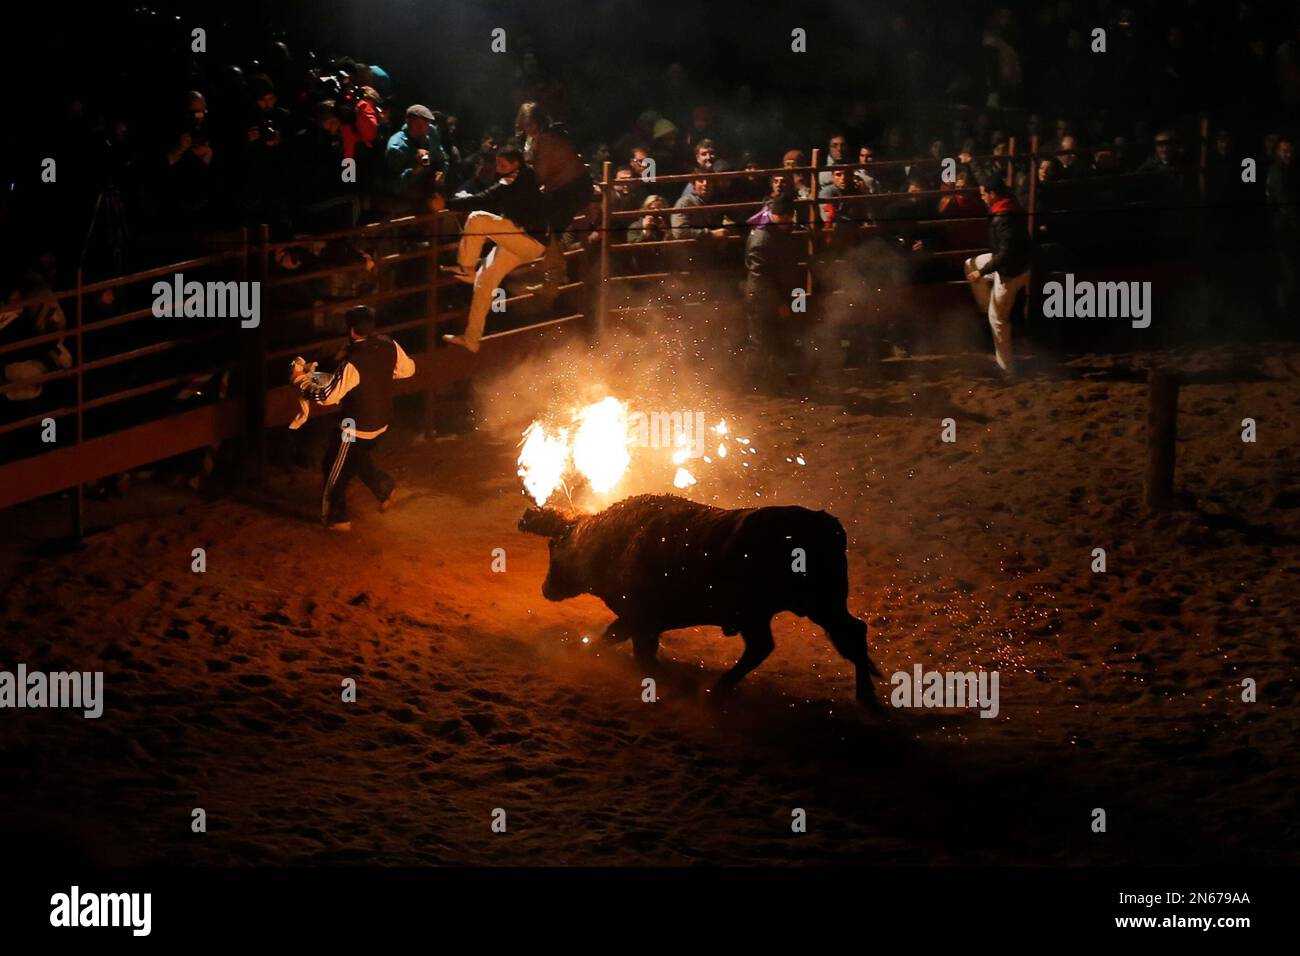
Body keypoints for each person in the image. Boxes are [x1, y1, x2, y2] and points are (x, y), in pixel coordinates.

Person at [293, 305, 415, 532]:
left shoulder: (353, 363)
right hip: (383, 421)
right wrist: (379, 375)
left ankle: (337, 518)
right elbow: (408, 370)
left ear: (350, 331)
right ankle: (385, 488)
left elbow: (327, 397)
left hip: (356, 427)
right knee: (355, 457)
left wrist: (301, 380)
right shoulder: (390, 344)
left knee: (334, 467)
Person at [431, 146, 549, 353]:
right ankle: (471, 338)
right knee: (484, 282)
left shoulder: (514, 180)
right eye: (498, 164)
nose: (499, 169)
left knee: (477, 218)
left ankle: (466, 267)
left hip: (527, 240)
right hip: (524, 242)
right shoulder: (523, 176)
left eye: (503, 165)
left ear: (516, 164)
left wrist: (447, 204)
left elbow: (484, 198)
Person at [964, 179, 1031, 376]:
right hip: (1017, 264)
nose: (982, 197)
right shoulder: (1010, 203)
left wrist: (982, 272)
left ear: (993, 193)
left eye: (984, 193)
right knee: (970, 264)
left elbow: (1005, 253)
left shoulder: (1003, 217)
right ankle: (987, 306)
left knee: (997, 320)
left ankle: (1006, 367)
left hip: (1011, 272)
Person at [743, 193, 804, 391]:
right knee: (761, 342)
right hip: (764, 297)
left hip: (773, 293)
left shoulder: (769, 231)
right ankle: (753, 383)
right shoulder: (763, 238)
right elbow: (762, 278)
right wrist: (780, 304)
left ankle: (766, 382)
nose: (789, 221)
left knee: (772, 339)